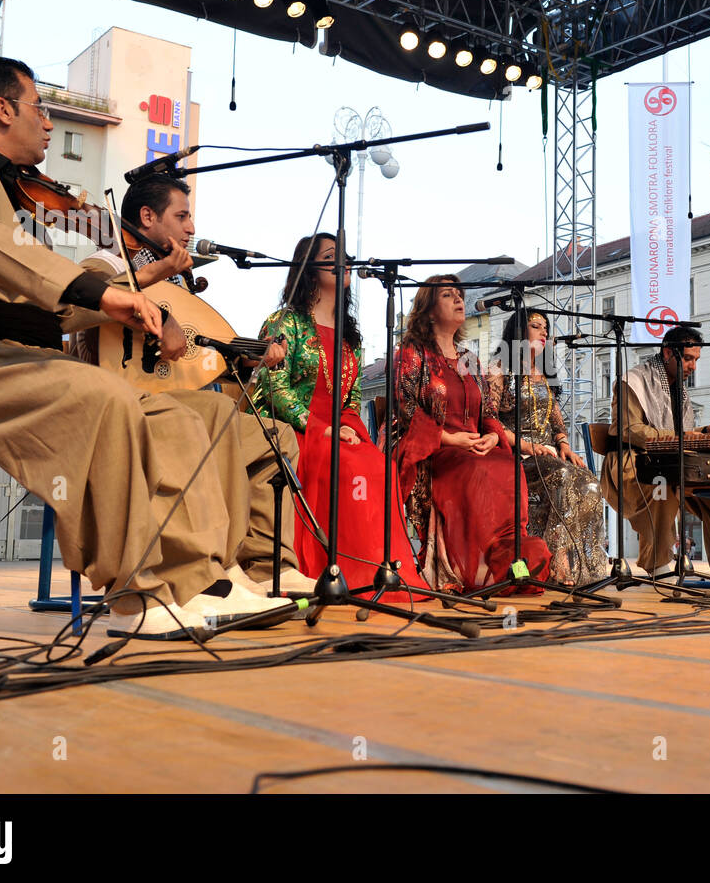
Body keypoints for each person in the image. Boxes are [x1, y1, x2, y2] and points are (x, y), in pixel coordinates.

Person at [0, 54, 285, 638]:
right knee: (108, 397)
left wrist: (137, 288)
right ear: (2, 109)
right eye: (40, 108)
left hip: (24, 354)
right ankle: (137, 594)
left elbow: (49, 307)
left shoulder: (15, 198)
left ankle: (204, 575)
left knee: (186, 415)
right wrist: (105, 296)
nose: (50, 123)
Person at [68, 173, 302, 591]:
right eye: (182, 216)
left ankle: (270, 569)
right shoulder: (107, 263)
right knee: (216, 418)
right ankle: (217, 569)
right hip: (126, 407)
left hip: (181, 402)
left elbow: (196, 362)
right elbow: (73, 306)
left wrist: (246, 361)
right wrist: (150, 293)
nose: (192, 228)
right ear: (147, 216)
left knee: (276, 437)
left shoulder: (179, 285)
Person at [253, 232, 425, 600]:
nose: (343, 261)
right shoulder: (283, 322)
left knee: (379, 466)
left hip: (339, 428)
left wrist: (346, 428)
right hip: (294, 428)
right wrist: (322, 429)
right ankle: (336, 570)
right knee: (347, 468)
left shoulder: (352, 337)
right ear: (309, 269)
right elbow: (274, 389)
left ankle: (379, 571)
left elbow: (353, 398)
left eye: (345, 255)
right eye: (332, 255)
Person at [393, 275, 551, 593]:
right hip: (433, 447)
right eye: (448, 295)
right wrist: (449, 439)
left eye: (460, 294)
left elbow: (487, 415)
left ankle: (507, 559)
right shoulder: (412, 353)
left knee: (507, 465)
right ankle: (476, 567)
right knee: (478, 469)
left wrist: (493, 437)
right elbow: (406, 411)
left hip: (473, 444)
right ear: (428, 308)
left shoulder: (467, 359)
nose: (459, 300)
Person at [600, 326, 710, 579]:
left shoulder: (678, 390)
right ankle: (658, 566)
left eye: (696, 360)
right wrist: (685, 437)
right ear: (668, 353)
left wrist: (703, 432)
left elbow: (674, 432)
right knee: (663, 485)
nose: (693, 366)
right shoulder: (634, 381)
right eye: (688, 359)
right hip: (633, 462)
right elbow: (629, 430)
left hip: (672, 461)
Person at [486, 310, 607, 586]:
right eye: (535, 326)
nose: (544, 332)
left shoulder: (544, 372)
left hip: (547, 454)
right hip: (514, 455)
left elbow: (555, 418)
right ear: (518, 331)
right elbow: (489, 420)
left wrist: (564, 444)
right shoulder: (499, 369)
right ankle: (557, 562)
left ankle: (586, 564)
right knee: (563, 479)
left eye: (546, 328)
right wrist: (528, 445)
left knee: (589, 482)